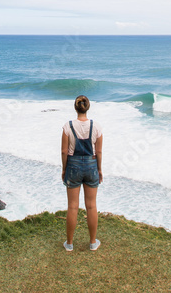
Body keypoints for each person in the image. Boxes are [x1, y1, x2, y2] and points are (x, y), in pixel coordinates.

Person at [61, 94, 103, 252]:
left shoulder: (68, 126)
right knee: (91, 206)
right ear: (88, 107)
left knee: (72, 207)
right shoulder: (96, 126)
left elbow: (64, 151)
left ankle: (69, 244)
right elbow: (99, 152)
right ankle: (92, 242)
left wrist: (64, 169)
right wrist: (99, 169)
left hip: (73, 165)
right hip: (91, 166)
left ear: (75, 107)